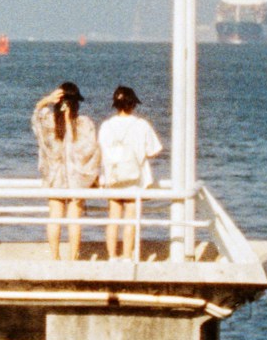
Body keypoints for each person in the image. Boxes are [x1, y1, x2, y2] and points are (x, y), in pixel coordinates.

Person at [94, 84, 165, 259]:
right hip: (135, 179)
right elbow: (154, 150)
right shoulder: (142, 125)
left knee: (113, 218)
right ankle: (127, 256)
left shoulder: (106, 126)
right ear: (133, 104)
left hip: (113, 177)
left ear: (115, 105)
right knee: (130, 220)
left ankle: (112, 256)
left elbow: (100, 151)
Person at [30, 80, 97, 258]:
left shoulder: (50, 123)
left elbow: (37, 115)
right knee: (74, 220)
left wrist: (46, 100)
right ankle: (73, 258)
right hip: (78, 179)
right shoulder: (84, 124)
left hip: (55, 178)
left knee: (55, 216)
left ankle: (55, 257)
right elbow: (92, 151)